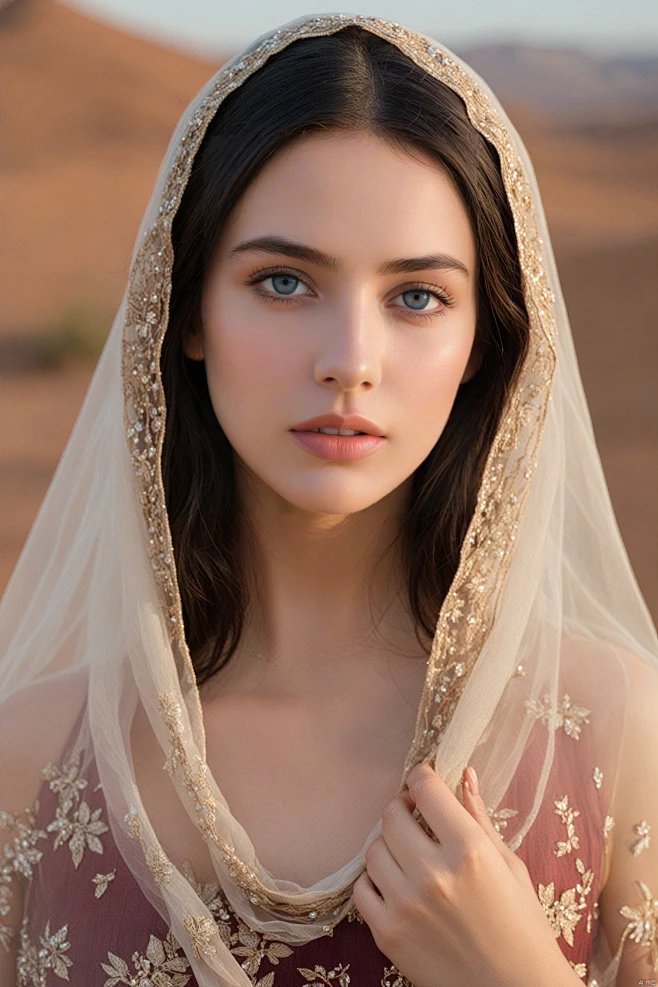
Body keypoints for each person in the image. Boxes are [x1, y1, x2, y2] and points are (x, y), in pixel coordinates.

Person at [0, 13, 656, 987]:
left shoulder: (607, 728)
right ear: (186, 316)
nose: (349, 361)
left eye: (416, 297)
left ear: (484, 341)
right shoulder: (35, 760)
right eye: (282, 281)